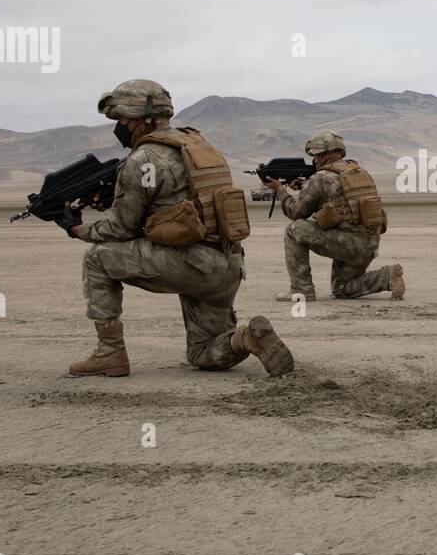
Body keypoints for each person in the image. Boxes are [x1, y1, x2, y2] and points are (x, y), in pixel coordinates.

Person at [65, 79, 293, 378]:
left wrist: (79, 229)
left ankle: (110, 355)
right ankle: (247, 337)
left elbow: (121, 228)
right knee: (204, 353)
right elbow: (175, 201)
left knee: (97, 258)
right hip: (227, 264)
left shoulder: (143, 158)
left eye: (122, 119)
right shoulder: (199, 147)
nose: (119, 126)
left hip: (188, 263)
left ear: (140, 118)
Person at [267, 131, 405, 301]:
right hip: (369, 245)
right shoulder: (358, 172)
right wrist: (306, 185)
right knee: (342, 289)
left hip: (348, 244)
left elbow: (296, 213)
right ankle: (387, 277)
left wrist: (280, 190)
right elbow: (341, 198)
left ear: (323, 155)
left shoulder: (320, 179)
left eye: (316, 156)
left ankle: (301, 290)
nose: (315, 160)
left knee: (293, 230)